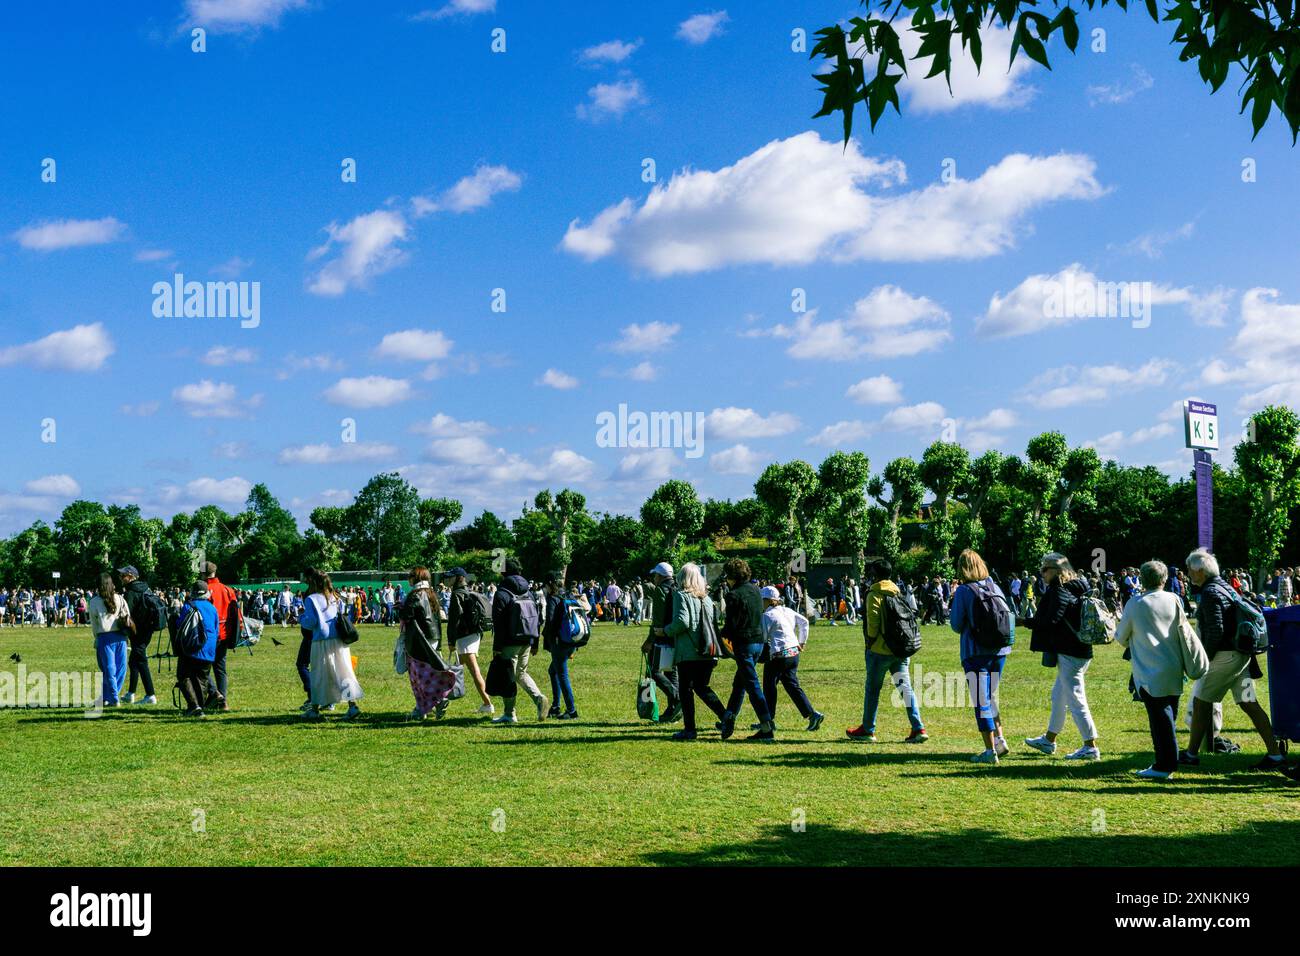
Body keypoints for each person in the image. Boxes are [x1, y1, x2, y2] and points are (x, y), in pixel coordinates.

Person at [1180, 549, 1287, 770]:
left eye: (1190, 570)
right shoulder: (1226, 587)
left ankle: (1191, 754)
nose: (1188, 574)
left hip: (1226, 657)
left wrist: (1205, 658)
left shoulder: (1210, 592)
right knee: (1250, 704)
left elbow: (1216, 629)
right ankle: (1275, 755)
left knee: (1201, 702)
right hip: (1242, 657)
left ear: (1200, 570)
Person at [1115, 560, 1209, 780]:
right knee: (1168, 716)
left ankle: (1164, 765)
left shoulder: (1135, 603)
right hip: (1174, 665)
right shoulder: (1174, 599)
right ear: (1164, 579)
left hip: (1149, 670)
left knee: (1160, 721)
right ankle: (1165, 760)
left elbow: (1120, 637)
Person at [1018, 552, 1100, 761]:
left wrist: (1024, 621)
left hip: (1070, 651)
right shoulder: (1079, 586)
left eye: (1045, 570)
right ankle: (1049, 739)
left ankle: (1090, 746)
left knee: (1075, 697)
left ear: (1056, 570)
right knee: (1059, 695)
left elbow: (1050, 620)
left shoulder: (1060, 590)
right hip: (1081, 650)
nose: (1042, 574)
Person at [848, 559, 926, 743]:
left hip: (879, 650)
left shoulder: (874, 593)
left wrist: (870, 643)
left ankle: (868, 730)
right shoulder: (897, 591)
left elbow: (873, 623)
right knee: (906, 689)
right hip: (899, 649)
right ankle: (918, 728)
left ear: (875, 574)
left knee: (873, 691)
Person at [949, 549, 1014, 764]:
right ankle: (1000, 740)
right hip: (1000, 651)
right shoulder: (994, 586)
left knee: (982, 701)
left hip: (975, 652)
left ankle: (989, 751)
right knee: (992, 697)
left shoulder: (964, 591)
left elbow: (957, 625)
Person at [661, 562, 726, 741]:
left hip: (689, 652)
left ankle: (690, 730)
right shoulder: (706, 598)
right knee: (702, 687)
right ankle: (725, 715)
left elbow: (683, 622)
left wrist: (665, 630)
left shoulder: (681, 595)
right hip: (708, 650)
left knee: (686, 690)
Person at [715, 558, 775, 741]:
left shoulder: (733, 595)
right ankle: (729, 716)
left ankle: (766, 726)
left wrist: (718, 635)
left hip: (744, 643)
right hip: (759, 642)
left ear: (732, 576)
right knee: (740, 682)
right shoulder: (756, 590)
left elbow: (731, 625)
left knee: (752, 685)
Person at [489, 559, 547, 724]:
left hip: (509, 641)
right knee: (520, 673)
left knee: (508, 677)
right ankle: (539, 698)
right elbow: (537, 618)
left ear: (504, 573)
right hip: (527, 640)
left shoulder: (502, 592)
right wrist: (535, 642)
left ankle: (509, 714)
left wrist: (497, 647)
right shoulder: (528, 591)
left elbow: (498, 623)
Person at [300, 568, 363, 721]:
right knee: (343, 672)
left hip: (321, 641)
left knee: (319, 674)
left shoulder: (312, 599)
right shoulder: (334, 597)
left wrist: (301, 618)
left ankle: (315, 709)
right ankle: (352, 706)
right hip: (339, 641)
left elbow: (311, 622)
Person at [758, 584, 823, 731]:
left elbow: (763, 638)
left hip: (778, 655)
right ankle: (813, 714)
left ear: (768, 600)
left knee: (769, 687)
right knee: (792, 686)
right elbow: (804, 622)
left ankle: (768, 721)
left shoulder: (767, 616)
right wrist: (802, 641)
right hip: (793, 653)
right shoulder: (787, 610)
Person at [401, 567, 453, 721]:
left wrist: (400, 609)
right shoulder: (432, 593)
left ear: (415, 578)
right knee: (429, 674)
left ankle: (431, 704)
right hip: (433, 638)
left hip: (419, 640)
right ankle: (423, 707)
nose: (408, 579)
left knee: (418, 676)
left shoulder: (414, 595)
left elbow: (407, 616)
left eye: (410, 576)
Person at [444, 568, 494, 715]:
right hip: (474, 635)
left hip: (464, 636)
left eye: (451, 577)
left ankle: (487, 703)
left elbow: (453, 620)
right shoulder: (471, 591)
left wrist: (451, 640)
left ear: (458, 578)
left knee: (474, 671)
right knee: (457, 667)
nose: (448, 580)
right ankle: (440, 698)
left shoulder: (456, 594)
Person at [641, 562, 681, 723]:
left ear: (660, 576)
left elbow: (657, 620)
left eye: (655, 575)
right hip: (675, 636)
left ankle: (677, 698)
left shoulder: (660, 591)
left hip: (662, 637)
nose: (654, 578)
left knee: (653, 671)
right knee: (672, 673)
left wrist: (649, 641)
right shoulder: (678, 588)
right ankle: (673, 710)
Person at [199, 561, 241, 713]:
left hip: (209, 634)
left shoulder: (205, 590)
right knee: (220, 669)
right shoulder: (227, 589)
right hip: (225, 634)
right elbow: (236, 614)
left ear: (203, 574)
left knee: (200, 667)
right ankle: (223, 702)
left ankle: (215, 694)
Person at [88, 571, 133, 708]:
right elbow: (127, 616)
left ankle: (111, 697)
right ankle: (111, 697)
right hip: (120, 637)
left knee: (109, 670)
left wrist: (96, 638)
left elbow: (94, 624)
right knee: (120, 670)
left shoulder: (94, 602)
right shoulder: (119, 598)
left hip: (104, 637)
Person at [174, 581, 220, 717]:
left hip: (191, 647)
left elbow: (180, 625)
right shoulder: (212, 608)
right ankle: (201, 707)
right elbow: (216, 630)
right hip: (209, 649)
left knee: (184, 675)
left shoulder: (188, 606)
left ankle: (194, 706)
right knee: (202, 679)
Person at [117, 566, 159, 706]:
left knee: (141, 661)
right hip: (147, 629)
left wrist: (123, 631)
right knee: (134, 661)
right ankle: (131, 693)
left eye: (123, 576)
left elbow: (126, 615)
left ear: (131, 576)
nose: (121, 578)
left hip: (137, 631)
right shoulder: (146, 588)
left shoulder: (130, 592)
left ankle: (150, 694)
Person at [542, 573, 579, 719]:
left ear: (550, 584)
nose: (544, 588)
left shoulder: (553, 598)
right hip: (571, 639)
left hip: (559, 642)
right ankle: (556, 706)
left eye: (545, 585)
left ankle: (572, 711)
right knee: (553, 670)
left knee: (562, 675)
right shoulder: (568, 594)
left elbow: (550, 622)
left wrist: (546, 638)